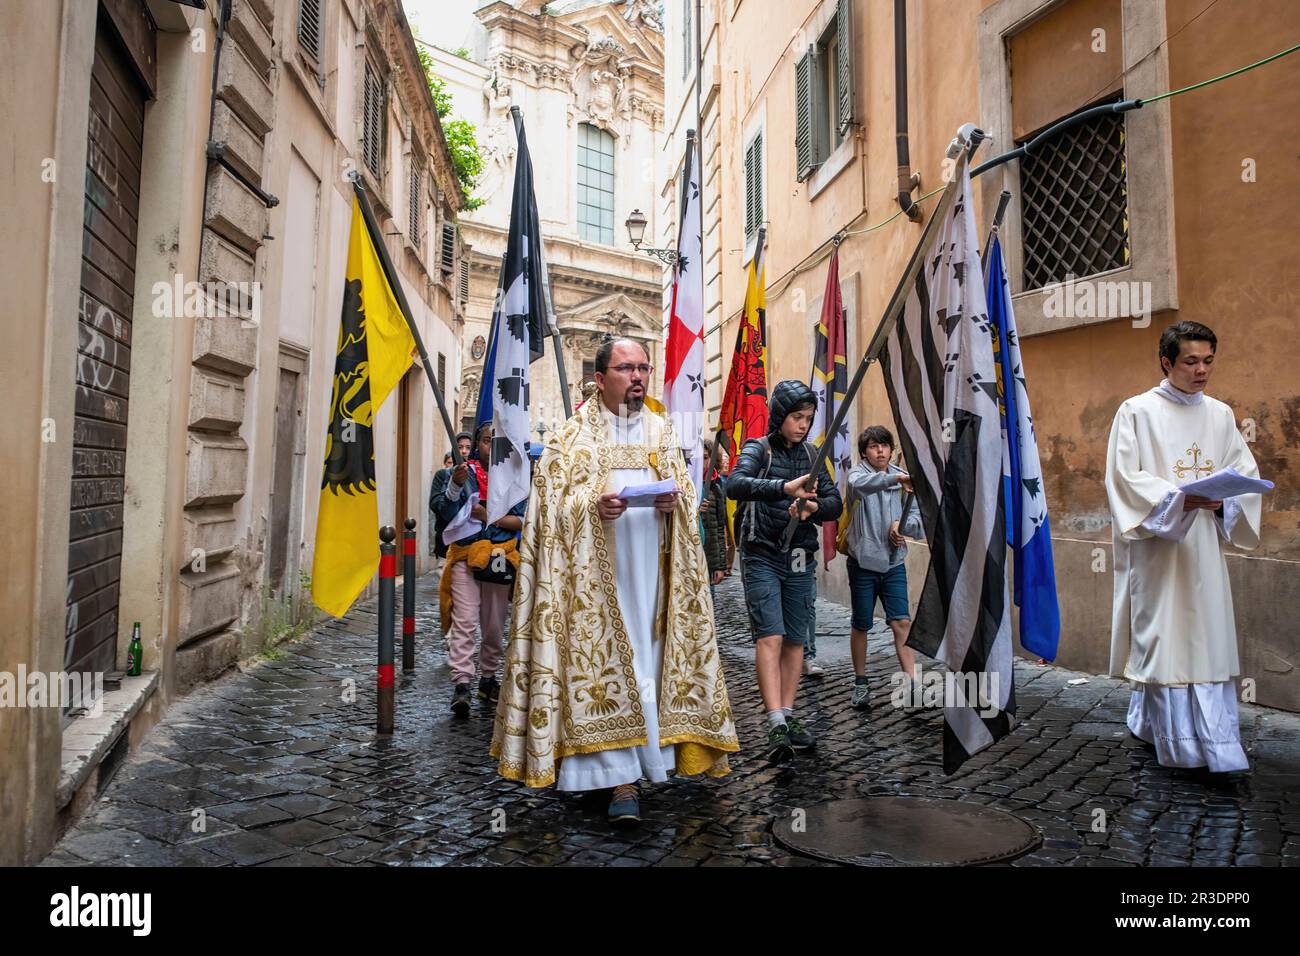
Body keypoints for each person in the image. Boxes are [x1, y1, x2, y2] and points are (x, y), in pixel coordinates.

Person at [490, 338, 738, 825]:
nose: (638, 377)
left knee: (650, 663)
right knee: (601, 667)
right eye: (627, 368)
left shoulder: (662, 430)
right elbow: (547, 512)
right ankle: (616, 777)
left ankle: (653, 759)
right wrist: (591, 506)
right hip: (590, 586)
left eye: (644, 367)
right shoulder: (570, 437)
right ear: (600, 380)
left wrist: (675, 505)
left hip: (655, 577)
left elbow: (689, 496)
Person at [1105, 321, 1263, 772]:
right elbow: (1123, 478)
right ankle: (1177, 742)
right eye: (1190, 361)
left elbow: (1242, 473)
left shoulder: (1221, 415)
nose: (1201, 370)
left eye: (1208, 361)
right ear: (1166, 362)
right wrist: (1176, 498)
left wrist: (1222, 503)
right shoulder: (1136, 411)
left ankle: (1211, 742)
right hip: (1159, 548)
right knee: (1167, 639)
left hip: (1203, 547)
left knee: (1206, 637)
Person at [727, 380, 842, 763]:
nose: (804, 425)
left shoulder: (813, 454)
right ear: (780, 416)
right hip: (762, 553)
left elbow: (834, 503)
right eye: (797, 417)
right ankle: (774, 720)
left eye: (808, 418)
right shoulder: (758, 449)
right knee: (770, 637)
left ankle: (789, 716)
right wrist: (783, 487)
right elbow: (735, 485)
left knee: (795, 638)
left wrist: (812, 510)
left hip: (799, 557)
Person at [435, 423, 526, 717]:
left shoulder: (515, 480)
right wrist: (456, 486)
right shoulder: (458, 474)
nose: (491, 446)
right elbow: (442, 510)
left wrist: (490, 516)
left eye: (498, 441)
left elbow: (523, 520)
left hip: (500, 555)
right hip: (465, 554)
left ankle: (488, 678)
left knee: (494, 623)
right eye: (487, 441)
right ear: (478, 443)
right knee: (465, 620)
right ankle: (462, 684)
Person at [842, 426, 924, 712]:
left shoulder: (904, 479)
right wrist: (895, 479)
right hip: (863, 563)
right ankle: (860, 681)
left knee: (901, 621)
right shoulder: (858, 474)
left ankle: (913, 683)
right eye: (874, 446)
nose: (880, 451)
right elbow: (861, 487)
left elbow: (916, 519)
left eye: (884, 446)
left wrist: (901, 527)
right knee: (862, 623)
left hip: (893, 563)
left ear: (891, 449)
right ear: (864, 451)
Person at [430, 433, 474, 567]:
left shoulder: (479, 475)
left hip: (473, 544)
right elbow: (435, 504)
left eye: (468, 447)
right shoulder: (443, 475)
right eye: (460, 447)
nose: (464, 451)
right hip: (447, 544)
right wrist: (453, 486)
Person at [698, 437, 732, 603]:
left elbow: (719, 527)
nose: (702, 463)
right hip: (687, 558)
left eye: (705, 458)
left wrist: (719, 565)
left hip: (708, 559)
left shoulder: (716, 487)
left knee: (708, 603)